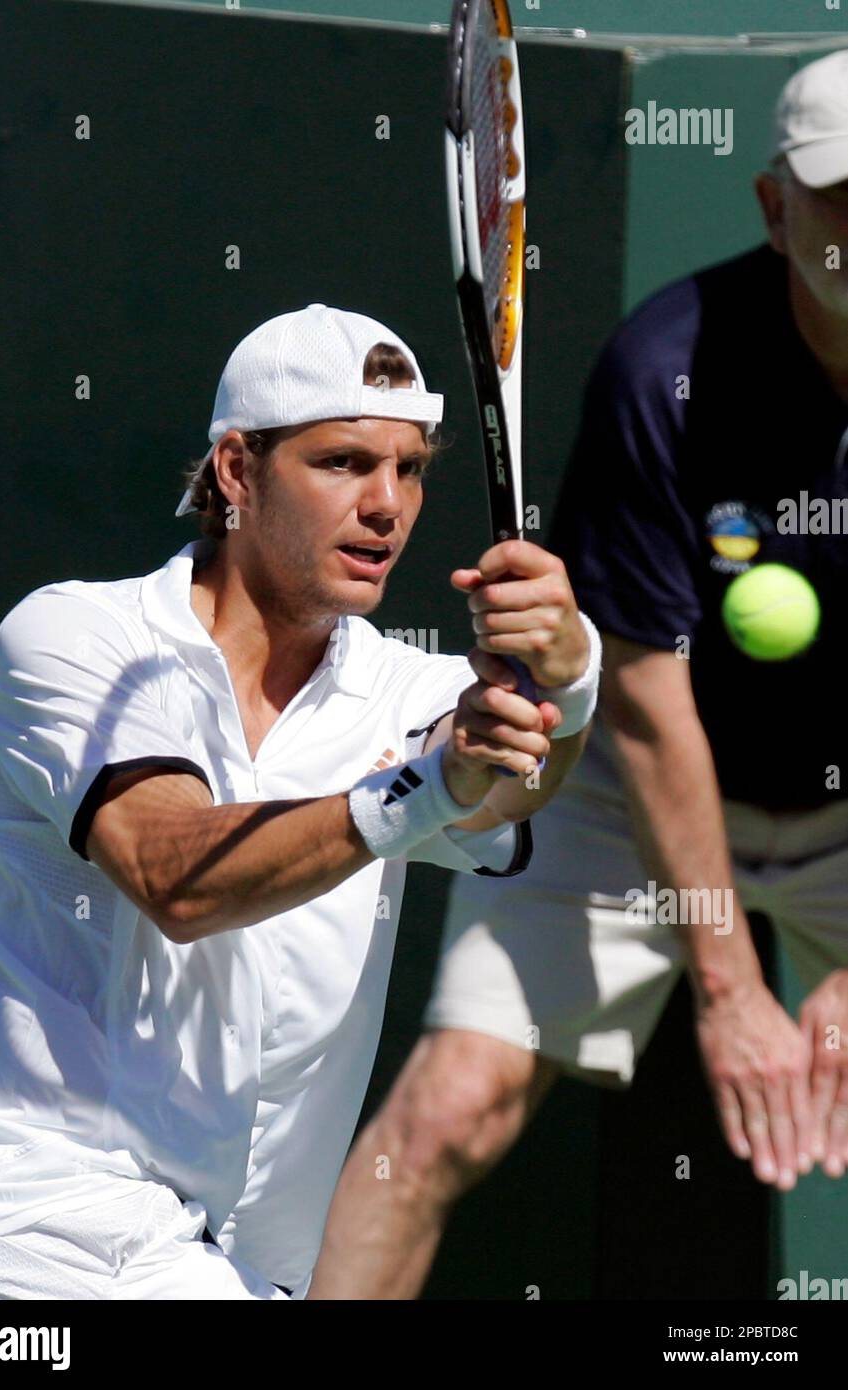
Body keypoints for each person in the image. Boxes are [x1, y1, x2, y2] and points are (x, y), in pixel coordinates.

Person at [0, 304, 599, 1300]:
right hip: (33, 1233)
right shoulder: (71, 641)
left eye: (408, 469)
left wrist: (567, 684)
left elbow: (507, 786)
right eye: (342, 463)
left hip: (240, 1274)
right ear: (235, 471)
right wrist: (425, 786)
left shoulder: (400, 690)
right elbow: (175, 874)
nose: (386, 505)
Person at [308, 51, 848, 1301]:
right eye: (842, 200)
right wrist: (725, 985)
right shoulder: (664, 371)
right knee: (448, 1114)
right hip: (635, 790)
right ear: (777, 211)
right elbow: (651, 705)